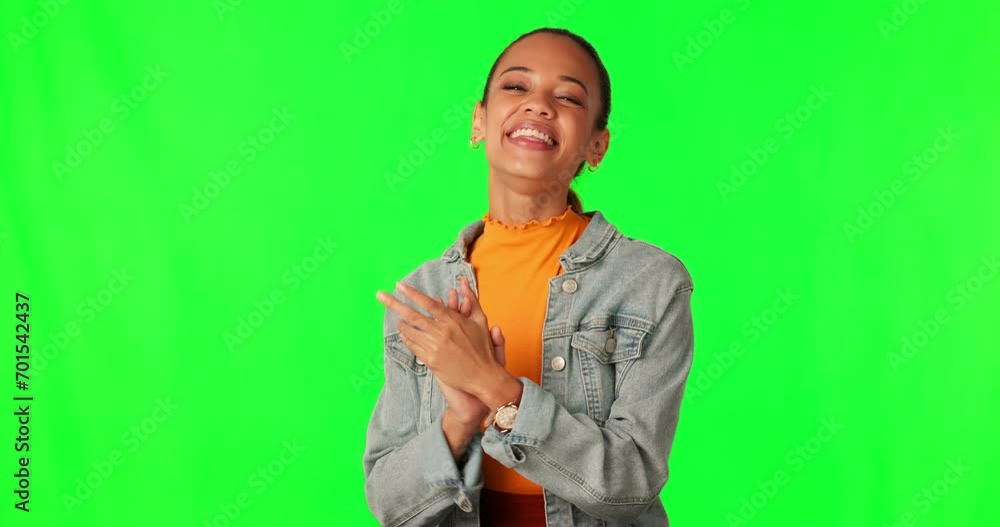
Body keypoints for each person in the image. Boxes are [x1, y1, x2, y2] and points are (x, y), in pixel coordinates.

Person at [364, 27, 694, 527]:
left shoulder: (649, 282)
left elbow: (630, 484)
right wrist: (460, 420)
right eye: (516, 87)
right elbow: (390, 503)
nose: (539, 105)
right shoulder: (423, 296)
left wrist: (493, 387)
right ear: (479, 121)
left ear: (596, 146)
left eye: (567, 97)